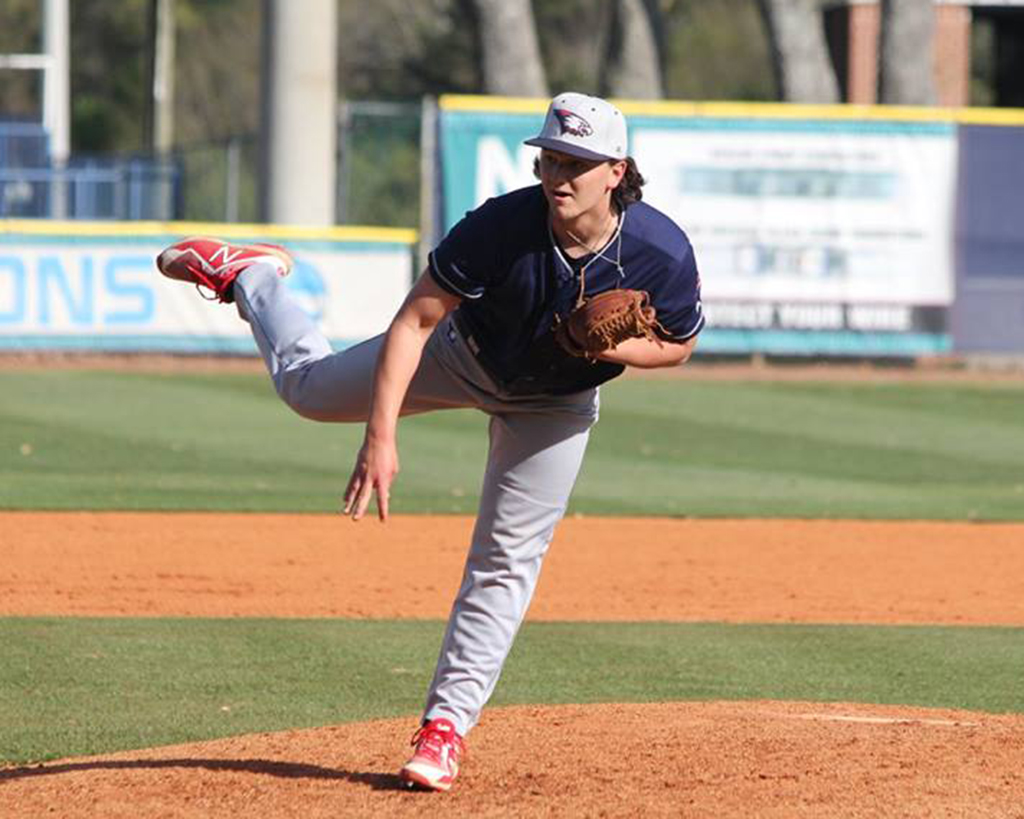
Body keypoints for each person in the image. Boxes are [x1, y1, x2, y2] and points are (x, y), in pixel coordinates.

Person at [155, 91, 704, 792]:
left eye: (579, 162)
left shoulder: (661, 251)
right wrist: (379, 437)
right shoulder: (503, 226)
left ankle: (444, 730)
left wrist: (616, 347)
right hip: (459, 355)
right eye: (551, 158)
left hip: (554, 405)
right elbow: (414, 322)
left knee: (504, 562)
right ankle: (252, 276)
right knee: (307, 391)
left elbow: (679, 345)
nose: (559, 176)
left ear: (616, 171)